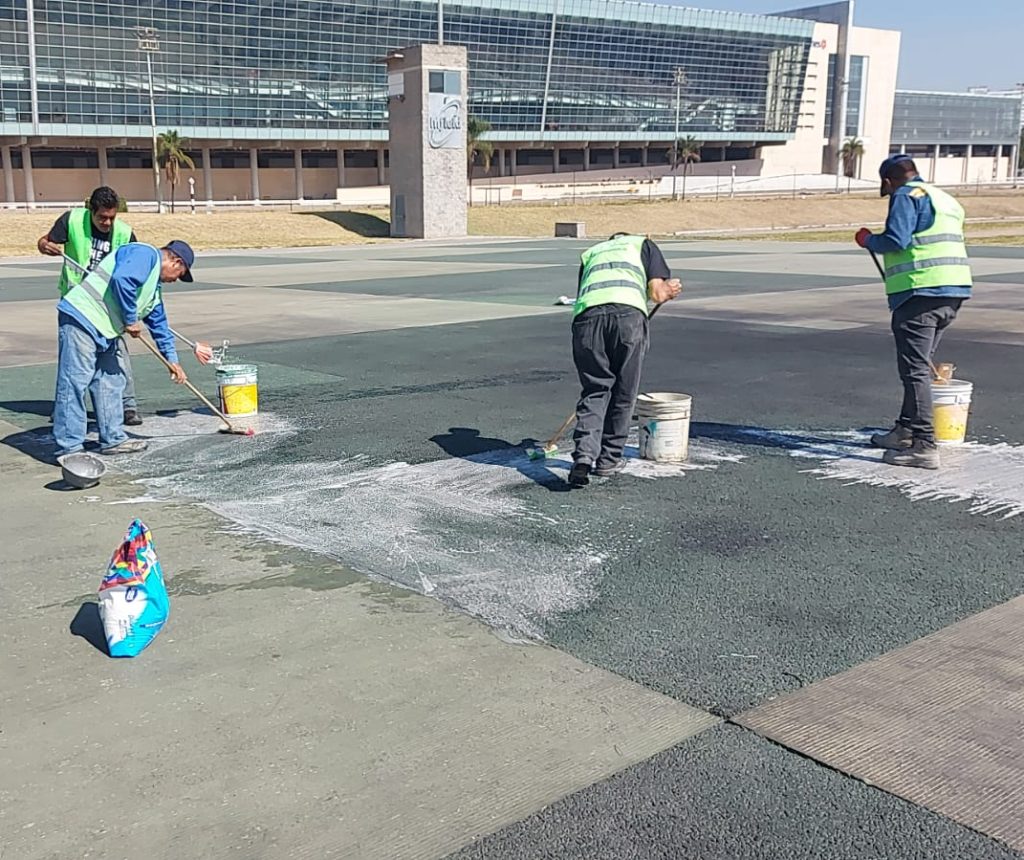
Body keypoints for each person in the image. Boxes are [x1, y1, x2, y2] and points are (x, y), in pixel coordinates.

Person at [37, 186, 212, 424]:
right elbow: (123, 279)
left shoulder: (126, 235)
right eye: (102, 217)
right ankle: (66, 416)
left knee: (114, 365)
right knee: (75, 369)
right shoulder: (73, 220)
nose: (108, 223)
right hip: (82, 307)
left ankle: (125, 409)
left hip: (111, 313)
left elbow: (156, 317)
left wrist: (172, 361)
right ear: (91, 211)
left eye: (112, 217)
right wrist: (44, 245)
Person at [855, 155, 972, 470]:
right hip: (953, 290)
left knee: (914, 370)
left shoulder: (906, 195)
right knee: (919, 365)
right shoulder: (943, 198)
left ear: (889, 181)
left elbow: (896, 239)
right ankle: (905, 430)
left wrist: (868, 239)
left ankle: (923, 444)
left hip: (920, 291)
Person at [53, 240, 198, 459]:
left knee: (111, 382)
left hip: (107, 331)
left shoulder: (153, 290)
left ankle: (113, 438)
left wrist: (172, 361)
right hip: (82, 318)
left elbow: (159, 325)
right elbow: (123, 279)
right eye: (179, 274)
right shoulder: (145, 254)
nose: (175, 280)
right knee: (75, 381)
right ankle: (69, 447)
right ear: (175, 262)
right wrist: (131, 319)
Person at [568, 233, 682, 488]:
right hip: (627, 317)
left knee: (595, 390)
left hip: (587, 320)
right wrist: (671, 289)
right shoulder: (643, 244)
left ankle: (584, 456)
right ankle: (608, 460)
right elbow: (658, 293)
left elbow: (587, 293)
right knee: (623, 392)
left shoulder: (593, 252)